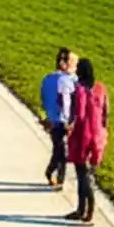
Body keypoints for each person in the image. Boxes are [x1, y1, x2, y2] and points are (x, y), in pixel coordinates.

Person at [65, 58, 109, 225]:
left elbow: (74, 114)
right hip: (97, 134)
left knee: (82, 173)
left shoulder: (78, 90)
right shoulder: (101, 88)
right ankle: (82, 208)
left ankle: (86, 209)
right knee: (88, 172)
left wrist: (66, 127)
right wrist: (103, 130)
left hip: (82, 134)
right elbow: (106, 112)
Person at [39, 48, 77, 189]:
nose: (75, 66)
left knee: (60, 149)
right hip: (61, 122)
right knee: (61, 151)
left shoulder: (47, 79)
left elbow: (43, 99)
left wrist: (44, 117)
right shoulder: (67, 81)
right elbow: (66, 103)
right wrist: (69, 121)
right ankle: (53, 175)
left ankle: (57, 177)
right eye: (73, 62)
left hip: (51, 120)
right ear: (64, 63)